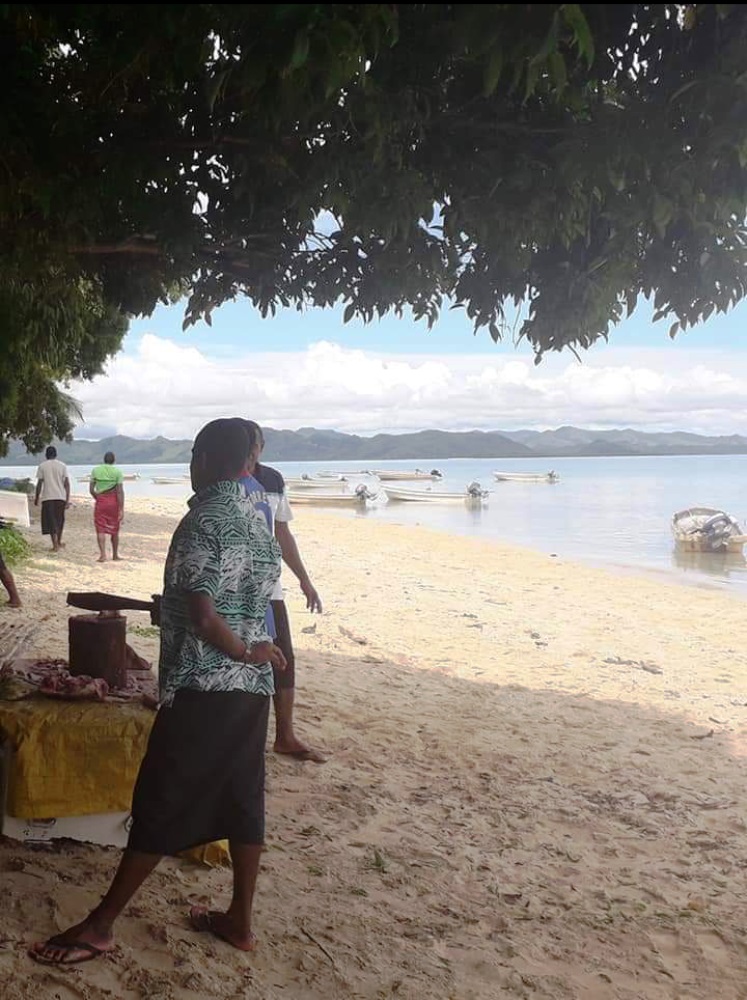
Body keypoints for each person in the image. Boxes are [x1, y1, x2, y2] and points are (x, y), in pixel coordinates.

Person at [29, 418, 286, 966]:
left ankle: (100, 927)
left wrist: (238, 648)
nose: (191, 464)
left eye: (194, 454)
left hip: (205, 683)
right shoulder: (257, 519)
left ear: (206, 458)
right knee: (243, 800)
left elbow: (202, 614)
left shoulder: (203, 520)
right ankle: (240, 920)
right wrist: (251, 652)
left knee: (160, 800)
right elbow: (243, 601)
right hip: (249, 692)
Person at [241, 420, 326, 763]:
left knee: (282, 660)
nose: (250, 453)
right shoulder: (223, 479)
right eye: (244, 446)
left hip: (270, 590)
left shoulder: (273, 480)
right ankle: (245, 737)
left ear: (261, 448)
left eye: (254, 446)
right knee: (241, 657)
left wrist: (304, 579)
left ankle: (285, 735)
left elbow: (283, 534)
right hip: (233, 589)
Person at [89, 451, 124, 562]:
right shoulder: (117, 472)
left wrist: (98, 498)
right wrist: (121, 508)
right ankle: (115, 555)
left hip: (101, 502)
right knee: (115, 529)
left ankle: (103, 555)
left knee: (100, 529)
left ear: (104, 460)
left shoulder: (96, 470)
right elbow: (119, 492)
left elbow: (91, 489)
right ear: (113, 460)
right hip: (113, 503)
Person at [34, 446, 70, 552]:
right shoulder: (62, 466)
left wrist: (37, 497)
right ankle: (58, 542)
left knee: (51, 521)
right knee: (60, 520)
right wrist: (67, 499)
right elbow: (67, 484)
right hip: (60, 497)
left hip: (48, 497)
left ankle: (55, 545)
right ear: (56, 454)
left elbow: (39, 484)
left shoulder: (42, 466)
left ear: (46, 455)